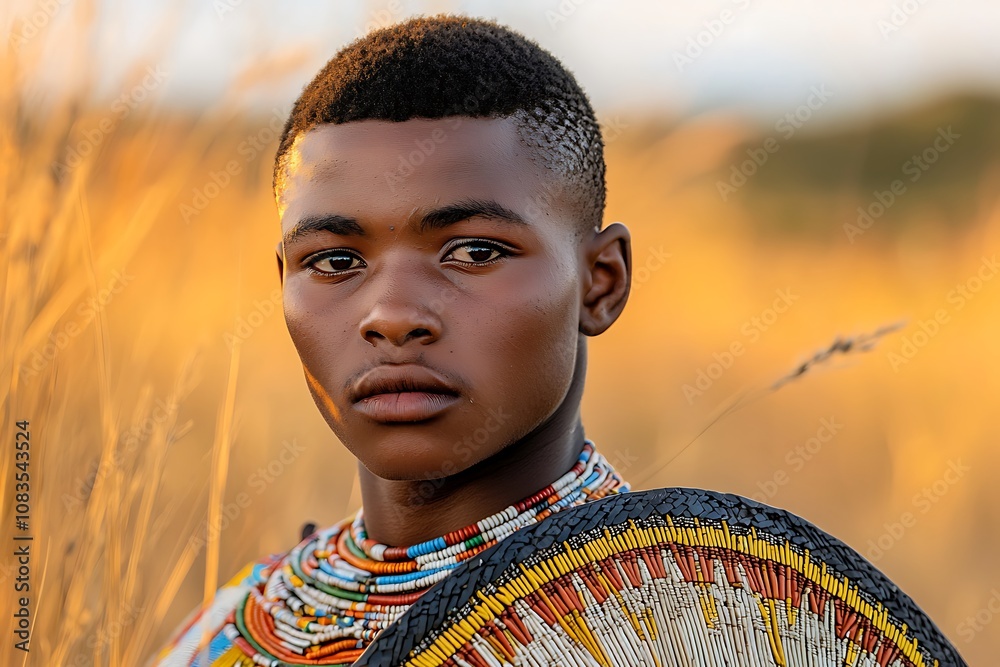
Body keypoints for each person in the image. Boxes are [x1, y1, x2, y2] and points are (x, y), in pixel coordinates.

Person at [149, 14, 634, 666]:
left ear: (599, 282)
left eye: (474, 250)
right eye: (335, 261)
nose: (392, 314)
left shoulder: (716, 618)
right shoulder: (229, 631)